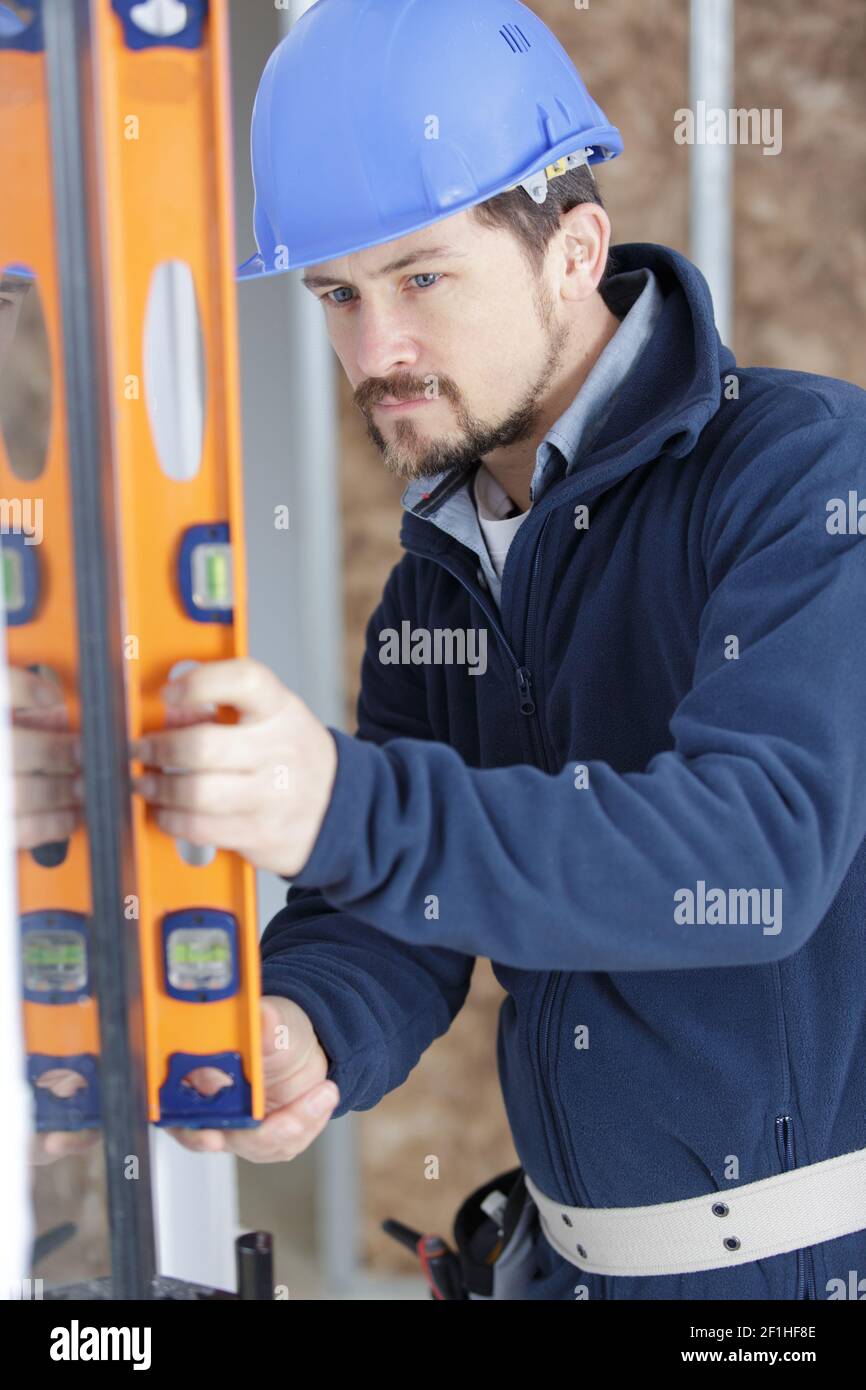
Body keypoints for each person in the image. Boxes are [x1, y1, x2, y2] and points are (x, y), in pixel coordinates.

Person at [15, 0, 866, 1299]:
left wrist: (342, 800)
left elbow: (757, 850)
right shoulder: (445, 560)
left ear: (573, 248)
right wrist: (309, 1025)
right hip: (557, 1263)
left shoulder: (801, 471)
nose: (376, 352)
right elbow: (398, 910)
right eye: (337, 295)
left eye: (419, 277)